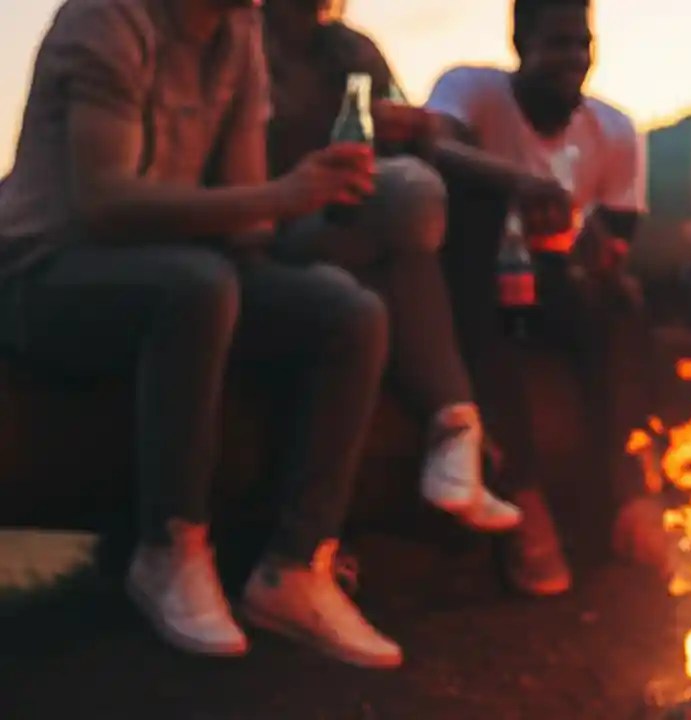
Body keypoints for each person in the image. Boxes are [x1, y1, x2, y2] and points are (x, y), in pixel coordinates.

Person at [0, 0, 400, 667]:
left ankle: (296, 566)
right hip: (43, 273)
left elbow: (246, 222)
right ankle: (169, 547)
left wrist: (317, 208)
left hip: (177, 269)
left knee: (348, 313)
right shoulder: (107, 20)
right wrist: (281, 197)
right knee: (197, 285)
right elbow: (104, 204)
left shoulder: (236, 33)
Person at [424, 0, 668, 596]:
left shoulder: (612, 129)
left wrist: (598, 253)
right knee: (479, 226)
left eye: (583, 44)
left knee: (625, 304)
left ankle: (631, 496)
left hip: (558, 280)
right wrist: (519, 185)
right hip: (479, 279)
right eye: (559, 44)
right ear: (521, 43)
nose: (574, 59)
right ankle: (525, 500)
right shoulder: (471, 89)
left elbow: (617, 239)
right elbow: (434, 147)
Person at [261, 0, 521, 533]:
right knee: (409, 203)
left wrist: (413, 130)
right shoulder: (241, 43)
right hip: (266, 223)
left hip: (347, 221)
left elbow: (413, 137)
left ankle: (457, 433)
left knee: (413, 231)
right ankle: (455, 432)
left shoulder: (350, 50)